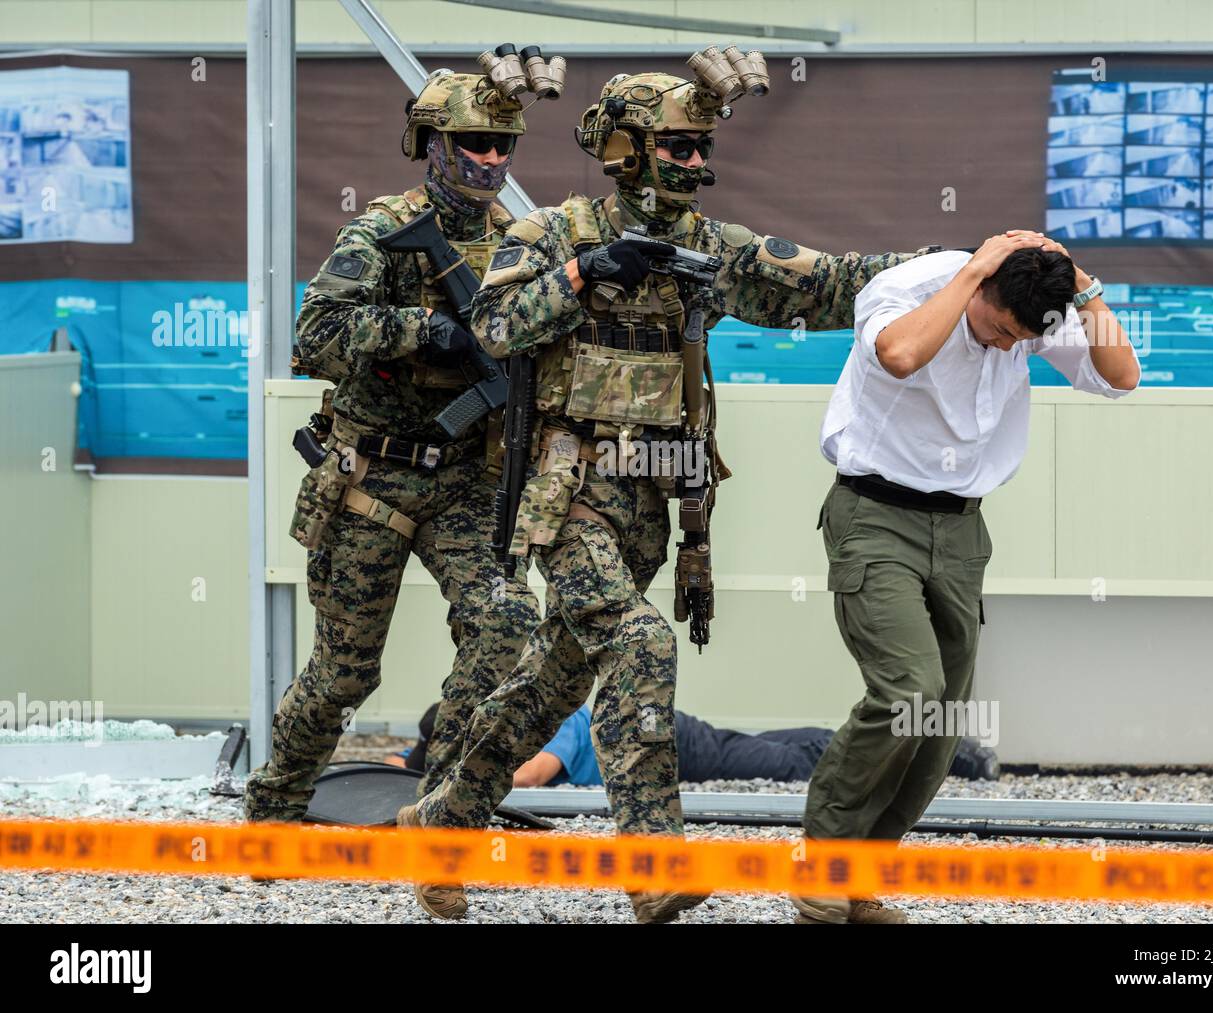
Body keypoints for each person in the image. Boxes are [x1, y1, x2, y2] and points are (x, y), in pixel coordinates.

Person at [400, 50, 931, 924]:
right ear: (624, 150)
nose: (693, 162)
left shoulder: (707, 248)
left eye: (700, 147)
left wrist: (959, 266)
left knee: (551, 682)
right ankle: (652, 866)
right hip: (566, 498)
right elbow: (489, 327)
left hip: (654, 503)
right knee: (642, 646)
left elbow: (835, 283)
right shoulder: (555, 235)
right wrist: (585, 275)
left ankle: (441, 820)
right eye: (677, 146)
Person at [796, 231, 1140, 925]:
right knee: (908, 688)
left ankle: (864, 874)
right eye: (999, 330)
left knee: (942, 718)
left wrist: (1088, 287)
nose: (1009, 346)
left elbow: (1121, 375)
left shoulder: (1025, 313)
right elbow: (897, 355)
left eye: (1024, 339)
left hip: (960, 530)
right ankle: (822, 864)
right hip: (875, 514)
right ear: (981, 285)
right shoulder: (917, 287)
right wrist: (973, 272)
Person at [242, 63, 550, 823]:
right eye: (474, 141)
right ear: (432, 142)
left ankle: (442, 804)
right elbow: (314, 334)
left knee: (507, 621)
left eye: (503, 142)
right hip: (369, 479)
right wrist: (421, 330)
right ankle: (274, 807)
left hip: (464, 483)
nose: (491, 159)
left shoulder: (519, 244)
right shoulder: (380, 232)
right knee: (346, 673)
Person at [396, 702, 1000, 785]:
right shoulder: (495, 729)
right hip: (659, 736)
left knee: (790, 765)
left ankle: (951, 757)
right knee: (782, 747)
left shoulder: (528, 722)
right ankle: (925, 737)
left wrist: (454, 785)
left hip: (665, 743)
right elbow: (397, 765)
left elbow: (528, 776)